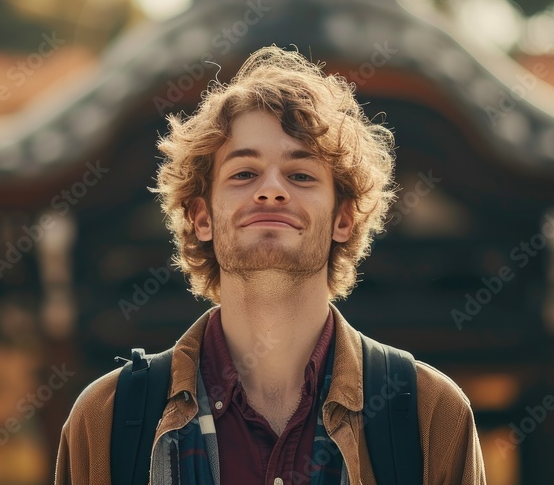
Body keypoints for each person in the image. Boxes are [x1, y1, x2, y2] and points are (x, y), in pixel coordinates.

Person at [54, 45, 487, 485]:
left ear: (343, 218)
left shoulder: (428, 414)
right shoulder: (108, 419)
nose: (271, 190)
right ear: (202, 217)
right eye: (244, 173)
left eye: (300, 175)